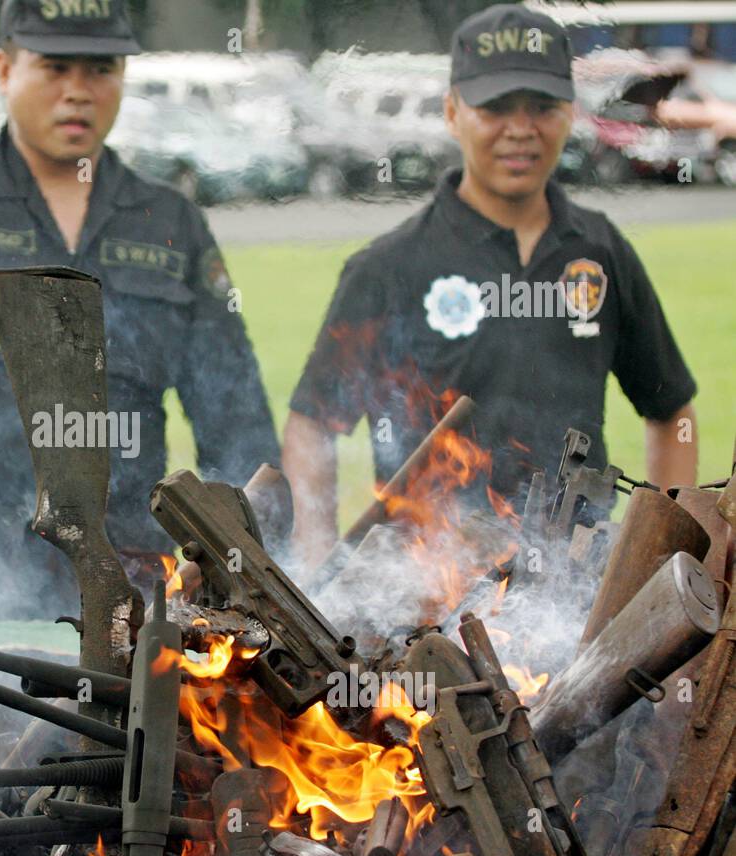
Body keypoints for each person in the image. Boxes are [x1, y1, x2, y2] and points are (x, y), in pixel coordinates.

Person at [0, 0, 280, 631]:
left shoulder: (169, 224)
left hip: (130, 591)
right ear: (4, 68)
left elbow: (236, 417)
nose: (78, 93)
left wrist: (232, 555)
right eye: (55, 68)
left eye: (100, 70)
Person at [282, 3, 698, 569]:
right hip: (426, 600)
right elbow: (313, 425)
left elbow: (671, 409)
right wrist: (316, 567)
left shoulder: (599, 253)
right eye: (497, 107)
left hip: (571, 595)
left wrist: (659, 555)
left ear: (570, 113)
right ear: (453, 111)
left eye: (543, 107)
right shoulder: (389, 267)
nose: (521, 130)